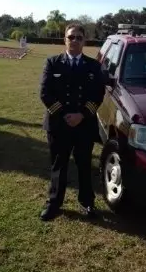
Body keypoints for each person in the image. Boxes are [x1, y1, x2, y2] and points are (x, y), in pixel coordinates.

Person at [39, 23, 105, 221]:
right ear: (64, 40)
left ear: (84, 41)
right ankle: (54, 203)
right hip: (59, 124)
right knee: (59, 165)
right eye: (71, 37)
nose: (74, 40)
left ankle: (87, 202)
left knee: (84, 164)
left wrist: (81, 115)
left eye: (78, 37)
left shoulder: (93, 66)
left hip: (83, 125)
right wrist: (65, 116)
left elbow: (98, 95)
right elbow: (45, 93)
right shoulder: (53, 63)